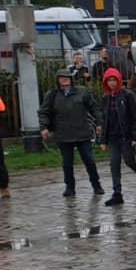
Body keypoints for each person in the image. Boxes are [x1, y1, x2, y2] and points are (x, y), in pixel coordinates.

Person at [39, 69, 104, 198]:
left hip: (82, 132)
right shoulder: (52, 95)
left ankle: (96, 185)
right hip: (63, 134)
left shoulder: (82, 92)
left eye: (67, 77)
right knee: (67, 163)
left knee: (89, 160)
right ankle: (69, 187)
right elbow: (44, 112)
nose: (65, 79)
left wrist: (99, 123)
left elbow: (94, 107)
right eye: (62, 77)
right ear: (57, 80)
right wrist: (44, 127)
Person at [98, 67, 136, 206]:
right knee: (114, 163)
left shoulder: (127, 95)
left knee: (130, 161)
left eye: (114, 80)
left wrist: (135, 137)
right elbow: (104, 119)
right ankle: (117, 193)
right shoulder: (106, 98)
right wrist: (103, 139)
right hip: (112, 137)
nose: (112, 83)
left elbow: (135, 117)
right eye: (109, 80)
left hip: (126, 136)